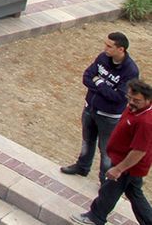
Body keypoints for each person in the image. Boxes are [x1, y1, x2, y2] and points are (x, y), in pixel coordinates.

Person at [71, 79, 152, 225]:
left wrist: (119, 169)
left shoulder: (146, 122)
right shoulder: (135, 109)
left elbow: (139, 151)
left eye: (137, 100)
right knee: (134, 194)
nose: (131, 102)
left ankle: (95, 217)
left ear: (148, 100)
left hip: (128, 165)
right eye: (130, 98)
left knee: (109, 191)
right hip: (122, 161)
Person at [64, 33, 141, 180]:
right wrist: (104, 89)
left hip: (109, 117)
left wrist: (99, 83)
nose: (105, 48)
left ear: (121, 49)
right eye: (106, 44)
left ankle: (105, 179)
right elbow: (87, 76)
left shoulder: (130, 71)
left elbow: (119, 97)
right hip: (90, 109)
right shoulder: (103, 58)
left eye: (109, 46)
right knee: (87, 140)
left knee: (107, 150)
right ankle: (82, 166)